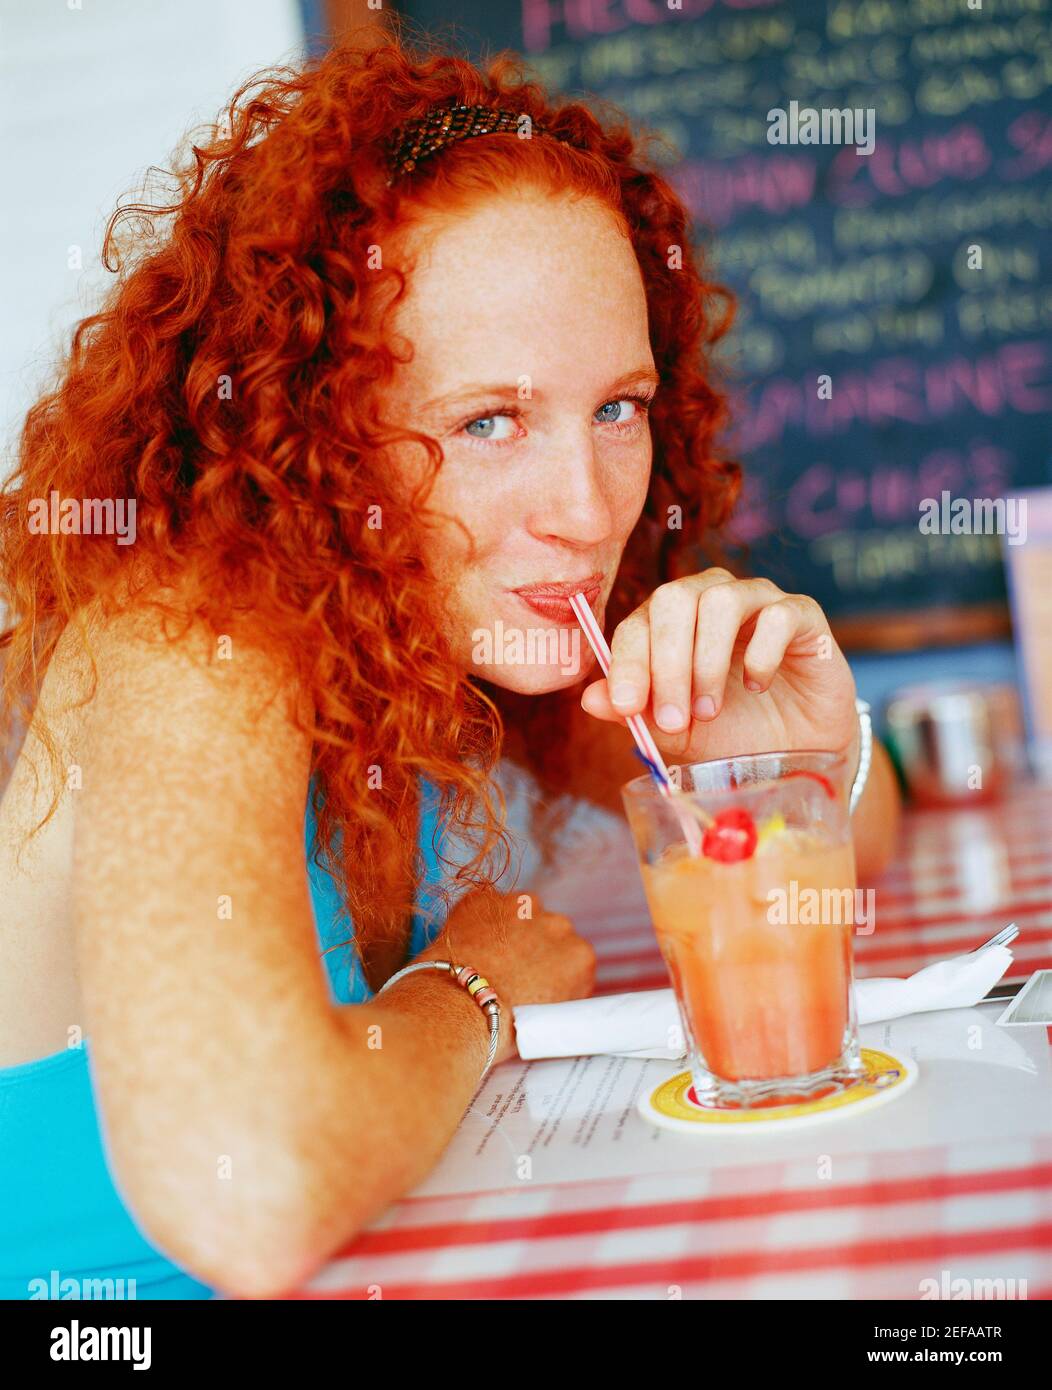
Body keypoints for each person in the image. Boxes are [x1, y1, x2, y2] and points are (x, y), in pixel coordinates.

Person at [0, 25, 901, 1300]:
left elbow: (852, 845)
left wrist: (786, 743)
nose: (588, 511)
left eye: (616, 409)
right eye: (488, 422)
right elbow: (242, 1198)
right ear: (314, 428)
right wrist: (474, 987)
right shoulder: (188, 633)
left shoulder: (436, 638)